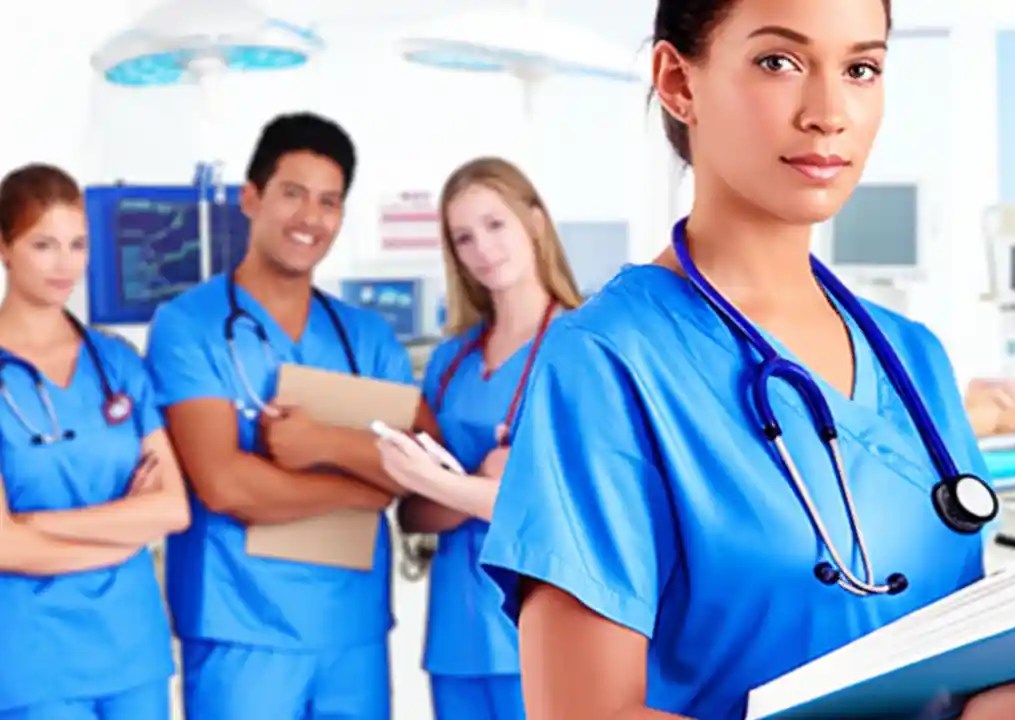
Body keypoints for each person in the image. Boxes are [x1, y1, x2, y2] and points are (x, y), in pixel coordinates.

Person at [472, 1, 1015, 719]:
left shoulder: (912, 359)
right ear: (677, 82)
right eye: (779, 61)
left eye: (861, 68)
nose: (829, 112)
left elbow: (958, 662)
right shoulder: (611, 360)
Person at [144, 113, 416, 720]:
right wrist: (362, 486)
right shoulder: (189, 326)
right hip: (241, 626)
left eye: (328, 201)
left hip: (351, 630)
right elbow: (225, 484)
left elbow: (421, 464)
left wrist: (322, 443)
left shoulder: (365, 337)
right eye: (292, 193)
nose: (309, 218)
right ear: (251, 198)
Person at [376, 157, 583, 720]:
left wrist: (441, 485)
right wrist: (468, 487)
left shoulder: (584, 347)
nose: (482, 249)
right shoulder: (450, 360)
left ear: (535, 222)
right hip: (458, 636)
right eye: (463, 237)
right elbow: (414, 515)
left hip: (543, 629)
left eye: (495, 225)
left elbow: (563, 509)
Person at [0, 164, 189, 719]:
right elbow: (4, 548)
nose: (66, 264)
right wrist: (128, 536)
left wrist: (38, 523)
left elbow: (173, 509)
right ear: (5, 248)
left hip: (133, 649)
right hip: (35, 659)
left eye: (77, 244)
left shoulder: (117, 363)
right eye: (44, 244)